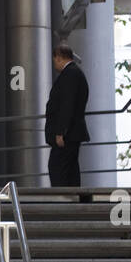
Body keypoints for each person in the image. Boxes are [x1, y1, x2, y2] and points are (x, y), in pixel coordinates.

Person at [44, 44, 89, 189]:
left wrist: (61, 131)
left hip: (67, 134)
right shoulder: (75, 73)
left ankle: (62, 201)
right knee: (70, 168)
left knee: (58, 168)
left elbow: (67, 105)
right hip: (72, 132)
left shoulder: (70, 74)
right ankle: (73, 200)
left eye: (54, 60)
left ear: (58, 57)